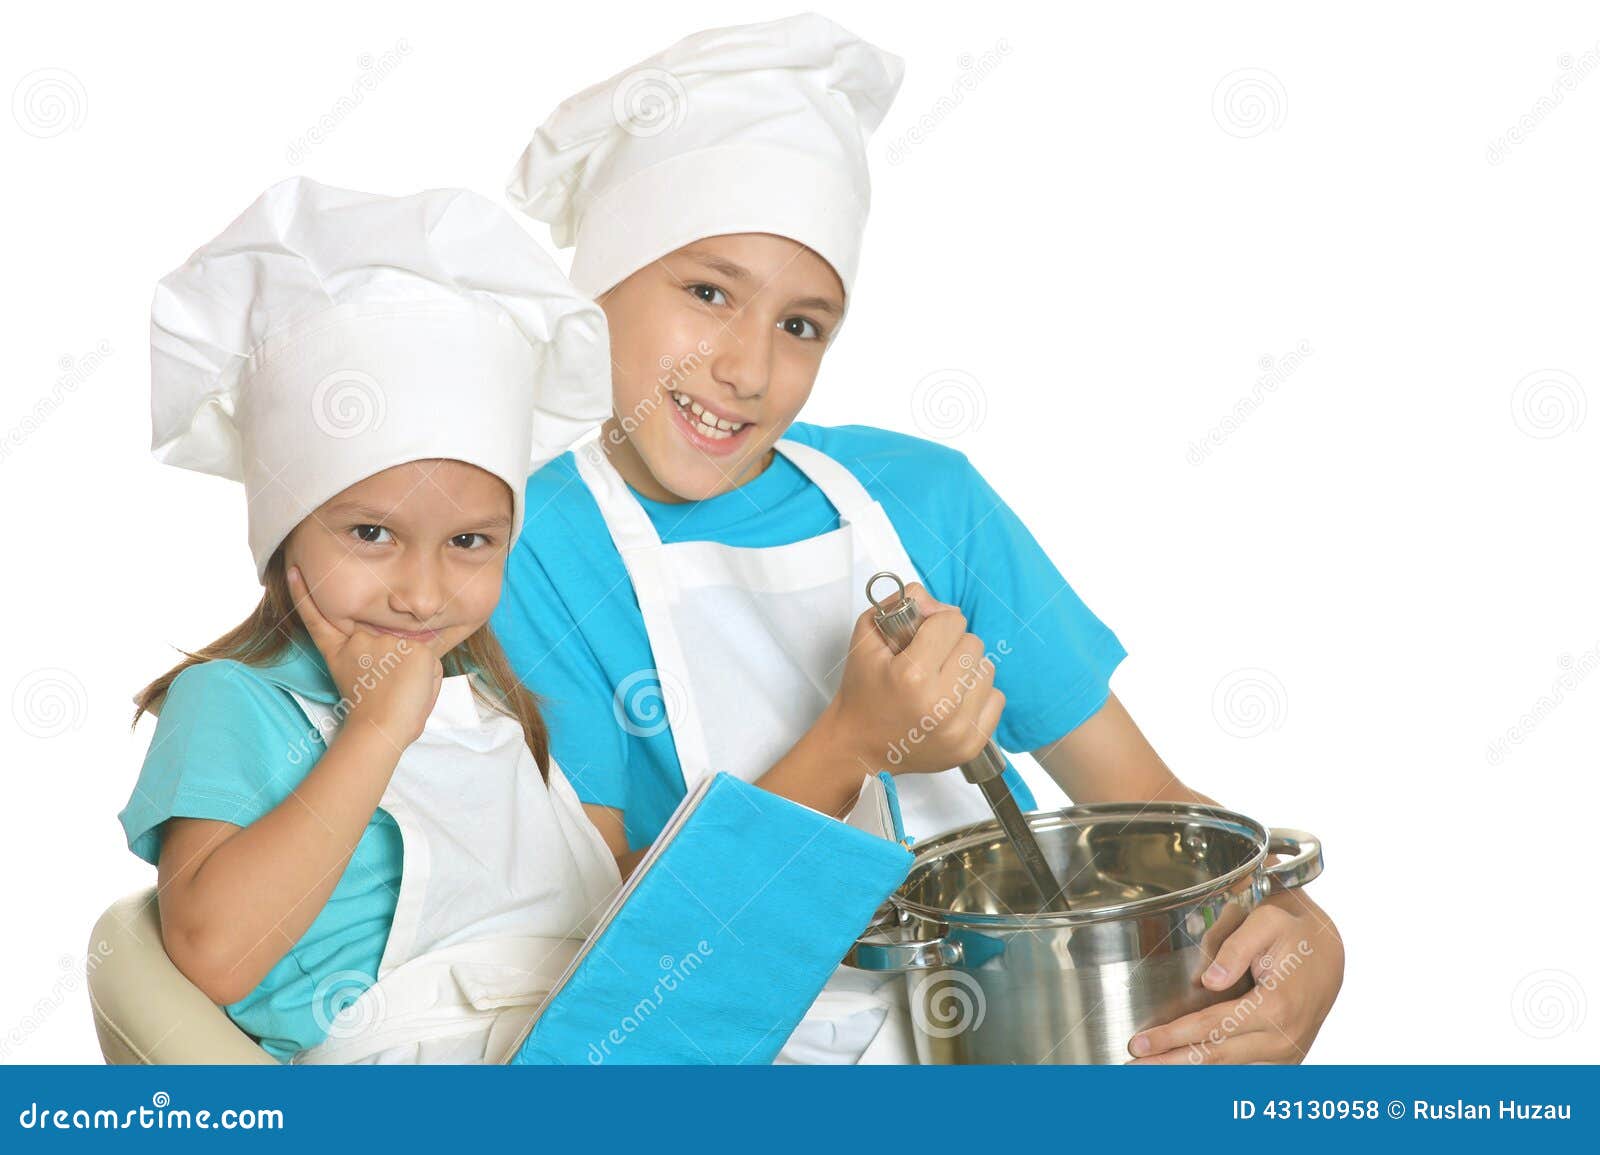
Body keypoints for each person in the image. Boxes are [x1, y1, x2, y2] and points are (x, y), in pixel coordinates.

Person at [493, 13, 1345, 1065]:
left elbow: (1154, 816)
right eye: (708, 293)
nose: (747, 370)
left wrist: (1300, 941)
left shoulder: (923, 498)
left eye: (802, 324)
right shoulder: (521, 551)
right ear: (602, 281)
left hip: (1029, 1042)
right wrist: (850, 742)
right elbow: (628, 978)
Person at [118, 178, 620, 1063]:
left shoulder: (496, 705)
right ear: (284, 529)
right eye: (373, 532)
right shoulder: (232, 701)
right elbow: (211, 954)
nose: (422, 594)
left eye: (469, 540)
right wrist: (376, 733)